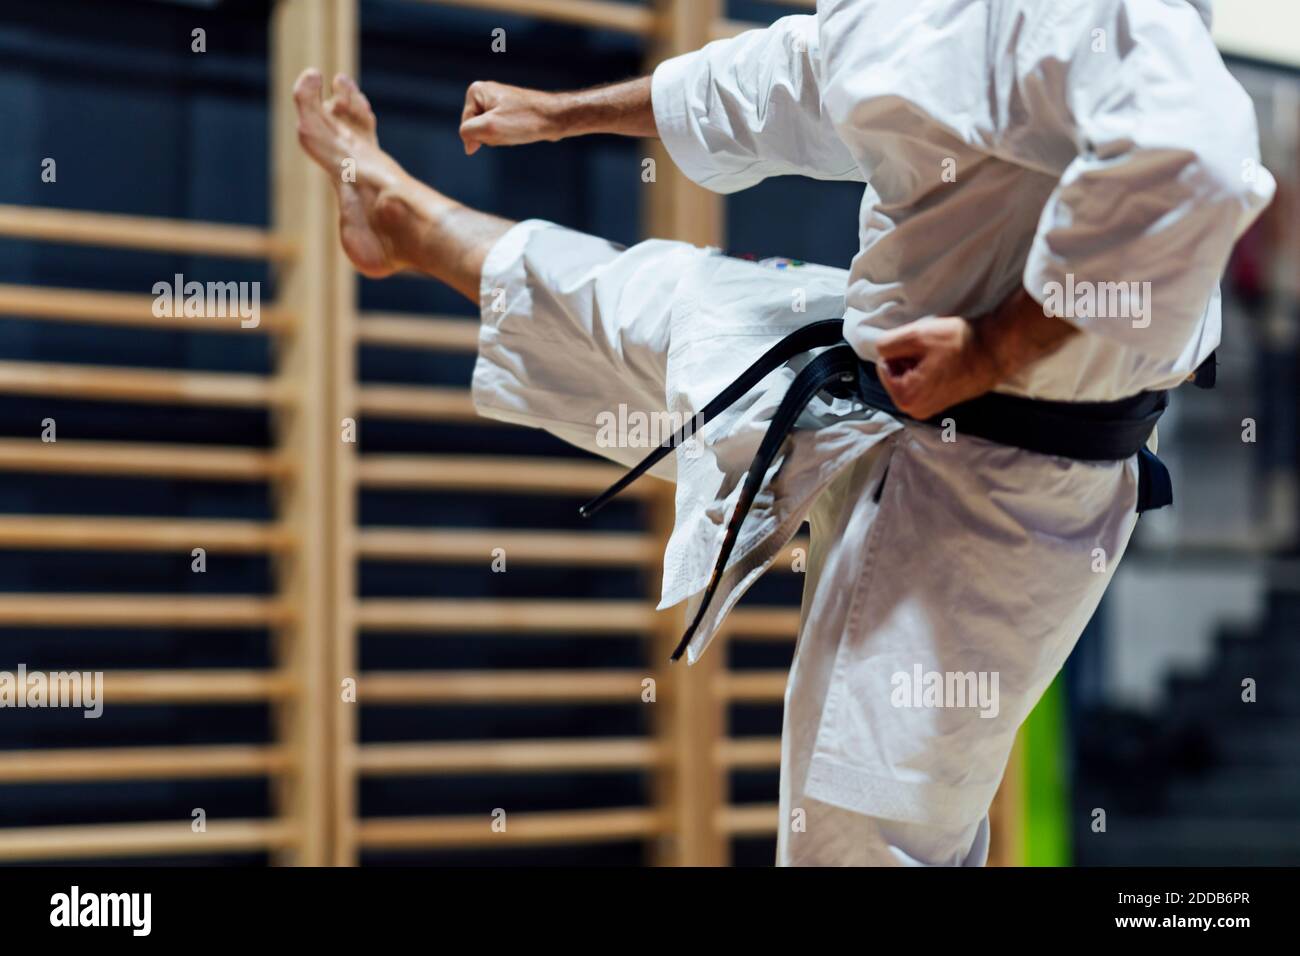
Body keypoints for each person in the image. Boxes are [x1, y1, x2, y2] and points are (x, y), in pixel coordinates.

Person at [292, 0, 1273, 865]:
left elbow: (1189, 166)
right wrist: (561, 114)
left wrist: (990, 347)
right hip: (883, 386)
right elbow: (786, 79)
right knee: (664, 308)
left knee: (851, 841)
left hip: (999, 495)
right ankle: (405, 219)